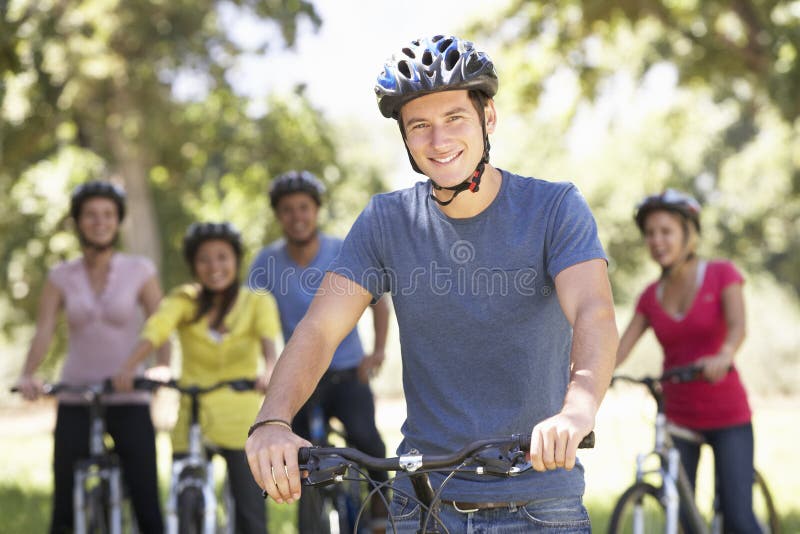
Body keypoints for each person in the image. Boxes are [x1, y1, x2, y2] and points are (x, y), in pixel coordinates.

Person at [245, 35, 618, 533]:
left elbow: (593, 309)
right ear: (404, 137)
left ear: (488, 119)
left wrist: (578, 410)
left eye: (454, 119)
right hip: (422, 504)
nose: (438, 142)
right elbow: (319, 329)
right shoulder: (387, 220)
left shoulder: (553, 209)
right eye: (420, 126)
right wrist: (272, 420)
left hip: (539, 503)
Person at [14, 180, 167, 534]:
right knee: (64, 505)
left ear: (118, 221)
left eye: (108, 215)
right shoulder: (60, 276)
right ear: (78, 221)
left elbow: (161, 325)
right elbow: (44, 332)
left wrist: (162, 365)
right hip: (75, 392)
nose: (100, 222)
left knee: (147, 502)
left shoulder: (140, 270)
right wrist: (29, 373)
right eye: (91, 215)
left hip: (129, 392)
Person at [114, 222, 280, 534]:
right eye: (204, 259)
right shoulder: (183, 300)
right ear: (193, 265)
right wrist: (129, 366)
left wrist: (269, 372)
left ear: (236, 260)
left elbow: (269, 344)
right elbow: (156, 329)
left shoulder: (257, 302)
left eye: (222, 257)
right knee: (180, 496)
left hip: (241, 417)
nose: (214, 266)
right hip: (192, 415)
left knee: (251, 514)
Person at [248, 170, 390, 532]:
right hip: (299, 377)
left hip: (346, 371)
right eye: (287, 210)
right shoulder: (266, 263)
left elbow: (379, 303)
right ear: (278, 216)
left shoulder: (341, 249)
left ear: (316, 210)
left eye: (304, 207)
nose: (297, 216)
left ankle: (380, 513)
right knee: (298, 455)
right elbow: (252, 318)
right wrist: (263, 366)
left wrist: (376, 353)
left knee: (367, 440)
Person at [615, 189, 761, 533]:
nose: (657, 241)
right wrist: (592, 377)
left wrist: (724, 355)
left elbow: (738, 327)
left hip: (727, 414)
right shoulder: (650, 297)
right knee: (683, 519)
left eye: (666, 231)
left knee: (738, 519)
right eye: (650, 233)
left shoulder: (722, 273)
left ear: (687, 234)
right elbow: (620, 348)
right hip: (678, 416)